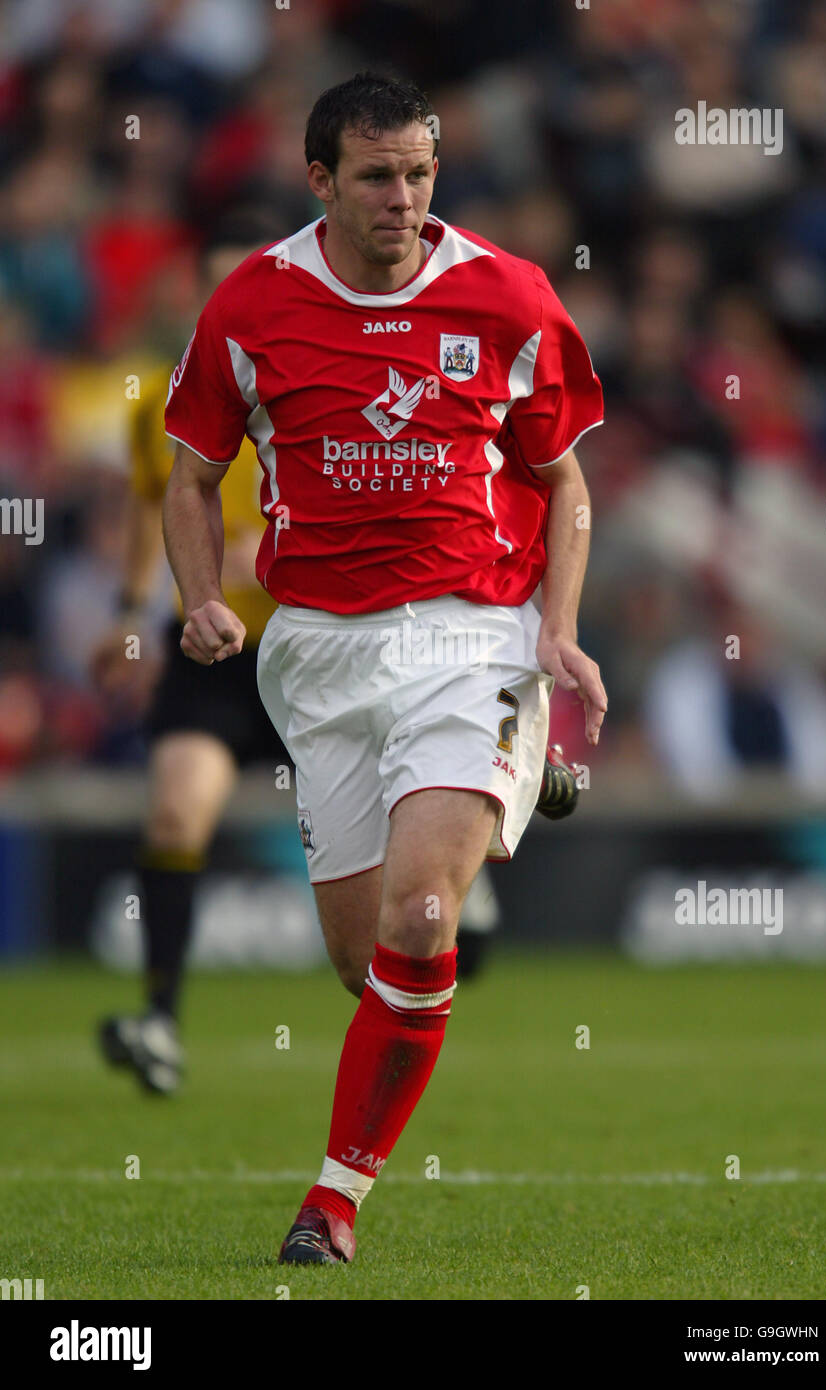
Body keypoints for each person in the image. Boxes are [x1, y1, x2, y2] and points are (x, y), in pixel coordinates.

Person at [161, 72, 606, 1265]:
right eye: (374, 175)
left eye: (418, 172)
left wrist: (557, 633)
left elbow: (561, 479)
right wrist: (199, 597)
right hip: (318, 653)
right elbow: (192, 474)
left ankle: (332, 1201)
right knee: (369, 963)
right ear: (319, 179)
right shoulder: (250, 305)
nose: (402, 197)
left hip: (473, 633)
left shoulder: (508, 297)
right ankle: (512, 794)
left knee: (421, 912)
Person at [94, 211, 290, 1095]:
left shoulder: (316, 387)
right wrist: (132, 610)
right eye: (210, 282)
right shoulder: (161, 402)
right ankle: (161, 1021)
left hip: (313, 649)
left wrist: (281, 555)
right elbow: (150, 502)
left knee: (392, 847)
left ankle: (464, 889)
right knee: (175, 818)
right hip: (211, 651)